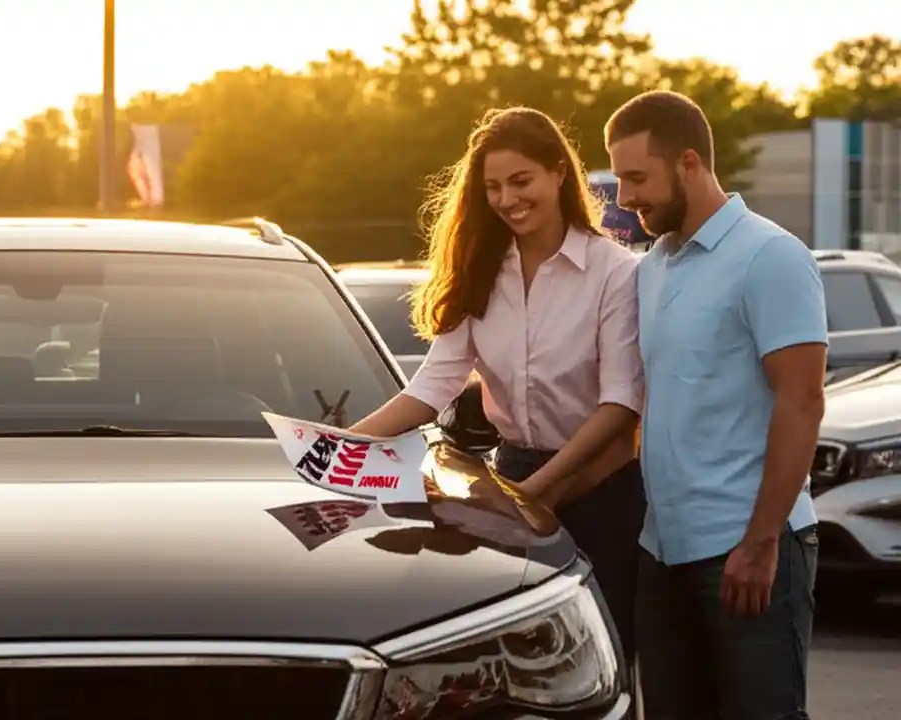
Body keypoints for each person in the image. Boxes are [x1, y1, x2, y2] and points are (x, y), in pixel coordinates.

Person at [349, 106, 646, 665]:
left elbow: (621, 404)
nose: (508, 199)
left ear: (560, 172)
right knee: (511, 660)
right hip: (511, 481)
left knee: (603, 659)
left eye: (521, 181)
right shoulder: (480, 270)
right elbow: (430, 389)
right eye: (493, 187)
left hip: (603, 493)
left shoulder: (616, 272)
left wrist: (540, 490)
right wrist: (340, 444)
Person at [604, 90, 825, 720]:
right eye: (620, 178)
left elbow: (803, 402)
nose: (625, 198)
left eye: (637, 177)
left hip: (749, 550)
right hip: (663, 552)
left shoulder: (771, 255)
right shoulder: (652, 269)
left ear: (691, 164)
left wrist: (759, 544)